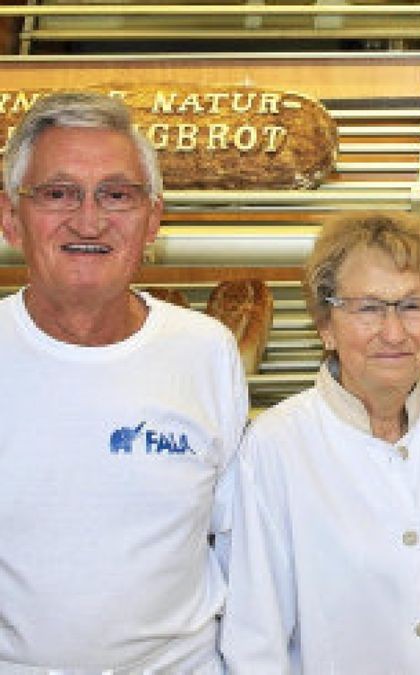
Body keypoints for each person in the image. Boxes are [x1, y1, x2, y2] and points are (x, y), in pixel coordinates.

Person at [0, 92, 247, 670]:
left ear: (153, 219)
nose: (89, 220)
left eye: (117, 195)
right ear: (11, 217)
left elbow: (243, 546)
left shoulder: (205, 349)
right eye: (58, 194)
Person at [220, 212, 420, 673]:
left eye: (412, 305)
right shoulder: (275, 446)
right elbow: (255, 639)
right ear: (325, 325)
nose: (394, 332)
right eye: (368, 308)